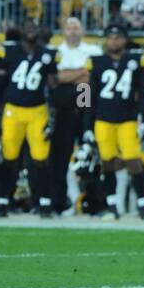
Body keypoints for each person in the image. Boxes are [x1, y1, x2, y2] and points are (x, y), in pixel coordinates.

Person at [85, 22, 144, 219]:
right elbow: (86, 93)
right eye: (110, 37)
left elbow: (142, 94)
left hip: (127, 119)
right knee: (107, 162)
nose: (114, 41)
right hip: (102, 119)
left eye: (117, 37)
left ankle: (143, 205)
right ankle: (112, 205)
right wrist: (86, 124)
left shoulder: (136, 60)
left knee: (133, 160)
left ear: (125, 40)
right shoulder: (95, 61)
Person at [0, 19, 58, 217]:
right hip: (14, 110)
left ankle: (46, 202)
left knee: (41, 158)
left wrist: (55, 115)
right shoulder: (10, 51)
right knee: (9, 157)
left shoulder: (55, 54)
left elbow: (81, 81)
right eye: (28, 27)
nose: (31, 31)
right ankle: (3, 200)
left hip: (42, 110)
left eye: (34, 28)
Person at [49, 17, 102, 215]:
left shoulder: (93, 50)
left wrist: (69, 76)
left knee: (89, 154)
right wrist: (81, 72)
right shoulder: (56, 51)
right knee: (60, 157)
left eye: (76, 28)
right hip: (62, 108)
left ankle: (92, 201)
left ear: (83, 30)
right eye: (69, 27)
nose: (72, 31)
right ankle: (60, 201)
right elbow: (55, 79)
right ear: (63, 30)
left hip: (85, 105)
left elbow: (91, 79)